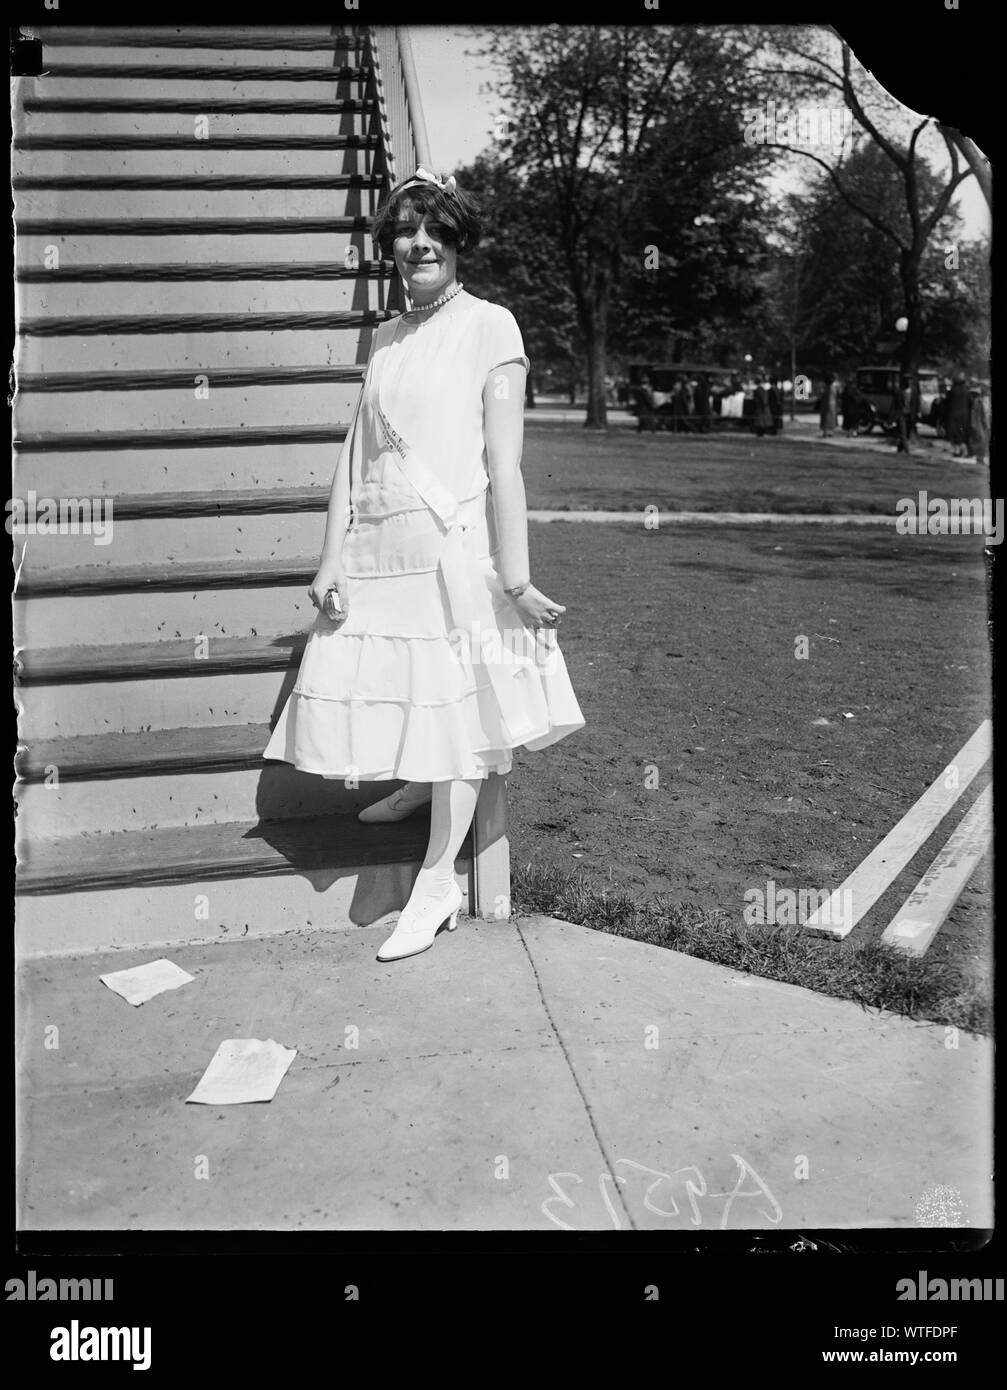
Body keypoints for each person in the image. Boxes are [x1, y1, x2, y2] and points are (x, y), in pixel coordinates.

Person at [263, 168, 585, 962]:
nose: (418, 244)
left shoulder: (491, 326)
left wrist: (513, 575)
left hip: (449, 546)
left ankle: (438, 881)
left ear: (457, 240)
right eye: (405, 232)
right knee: (402, 687)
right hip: (380, 543)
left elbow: (504, 463)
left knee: (455, 708)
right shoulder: (385, 336)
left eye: (433, 230)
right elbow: (356, 455)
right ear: (389, 248)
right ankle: (418, 783)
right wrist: (331, 555)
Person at [945, 371, 971, 457]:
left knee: (955, 432)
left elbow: (947, 403)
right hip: (964, 415)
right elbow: (970, 403)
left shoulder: (952, 391)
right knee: (962, 433)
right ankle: (963, 450)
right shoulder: (967, 391)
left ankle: (957, 450)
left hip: (953, 414)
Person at [967, 383, 989, 464]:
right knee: (981, 441)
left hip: (978, 424)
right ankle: (980, 458)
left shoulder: (977, 401)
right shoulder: (977, 402)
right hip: (977, 425)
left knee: (981, 441)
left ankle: (980, 458)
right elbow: (976, 415)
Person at [891, 374, 913, 454]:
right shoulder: (899, 391)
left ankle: (899, 449)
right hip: (901, 414)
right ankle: (907, 451)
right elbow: (894, 405)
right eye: (908, 381)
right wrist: (893, 417)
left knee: (906, 434)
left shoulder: (912, 391)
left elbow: (915, 403)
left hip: (909, 415)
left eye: (910, 381)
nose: (909, 382)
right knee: (903, 433)